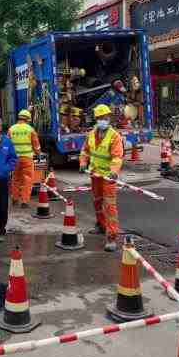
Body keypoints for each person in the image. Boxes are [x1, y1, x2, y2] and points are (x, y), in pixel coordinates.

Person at [79, 104, 124, 252]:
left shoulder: (114, 136)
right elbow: (85, 151)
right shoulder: (91, 134)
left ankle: (111, 236)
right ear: (96, 119)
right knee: (97, 201)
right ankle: (101, 225)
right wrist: (83, 163)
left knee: (109, 205)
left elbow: (117, 157)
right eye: (100, 118)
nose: (104, 120)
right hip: (95, 174)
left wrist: (113, 172)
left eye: (105, 117)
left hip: (108, 177)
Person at [8, 109, 41, 208]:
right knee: (27, 179)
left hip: (15, 159)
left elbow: (7, 144)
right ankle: (24, 201)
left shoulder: (11, 129)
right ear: (27, 119)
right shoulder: (30, 129)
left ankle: (14, 198)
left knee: (15, 178)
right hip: (27, 158)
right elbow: (36, 145)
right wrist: (38, 154)